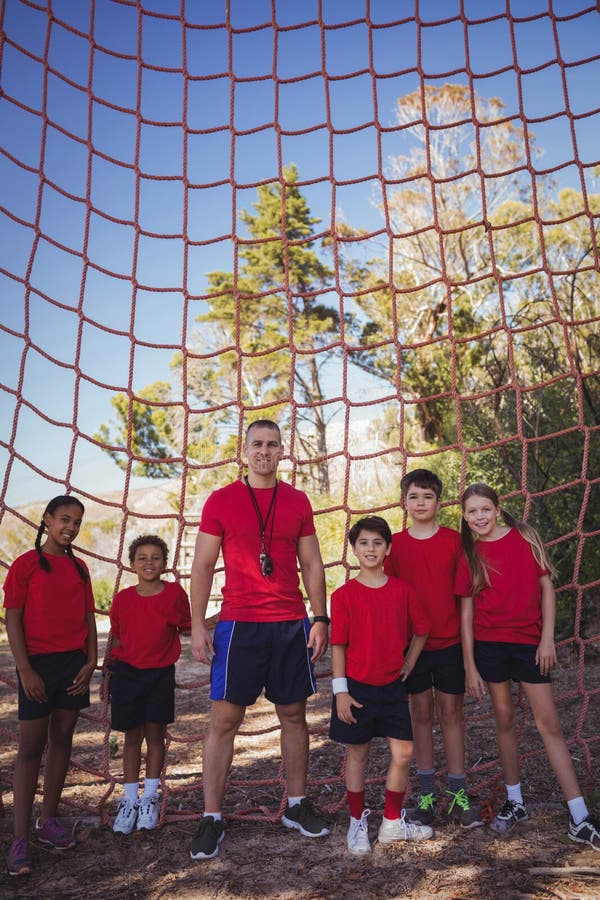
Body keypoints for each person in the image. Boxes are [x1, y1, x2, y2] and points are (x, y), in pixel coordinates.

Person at [189, 419, 330, 860]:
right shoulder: (222, 500)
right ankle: (212, 817)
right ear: (243, 450)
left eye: (272, 444)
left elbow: (312, 565)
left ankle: (296, 804)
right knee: (224, 722)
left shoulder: (297, 500)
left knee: (293, 716)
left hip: (290, 623)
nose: (264, 451)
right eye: (257, 444)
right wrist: (197, 623)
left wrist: (319, 617)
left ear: (281, 450)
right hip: (239, 625)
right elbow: (202, 567)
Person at [455, 482, 599, 850]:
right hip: (490, 646)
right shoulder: (469, 554)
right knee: (503, 719)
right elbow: (467, 615)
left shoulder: (524, 536)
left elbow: (546, 587)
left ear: (498, 508)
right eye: (472, 512)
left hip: (529, 644)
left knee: (548, 722)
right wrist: (470, 665)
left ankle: (579, 815)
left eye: (485, 509)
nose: (479, 517)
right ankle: (515, 802)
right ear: (465, 516)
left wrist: (547, 638)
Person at [3, 495, 98, 877]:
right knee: (29, 750)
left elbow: (90, 619)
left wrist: (91, 662)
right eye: (64, 520)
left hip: (73, 666)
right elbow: (12, 619)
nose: (70, 528)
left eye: (76, 522)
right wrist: (25, 669)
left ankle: (48, 822)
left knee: (62, 740)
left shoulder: (80, 568)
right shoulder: (25, 565)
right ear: (46, 520)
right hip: (37, 666)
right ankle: (20, 839)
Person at [384, 469, 481, 828]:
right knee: (420, 716)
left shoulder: (456, 542)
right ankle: (426, 796)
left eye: (427, 496)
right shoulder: (394, 546)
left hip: (450, 644)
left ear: (439, 502)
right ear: (404, 502)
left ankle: (458, 795)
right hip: (413, 651)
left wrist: (470, 663)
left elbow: (464, 601)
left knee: (452, 716)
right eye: (414, 496)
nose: (420, 503)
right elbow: (389, 601)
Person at [330, 515, 433, 854]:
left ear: (388, 548)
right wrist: (340, 692)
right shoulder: (344, 595)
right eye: (364, 543)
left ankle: (391, 823)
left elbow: (422, 629)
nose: (371, 549)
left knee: (404, 752)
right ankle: (357, 822)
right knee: (358, 753)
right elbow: (339, 646)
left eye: (377, 543)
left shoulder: (403, 590)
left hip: (392, 687)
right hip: (356, 687)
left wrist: (409, 662)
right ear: (354, 550)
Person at [106, 535, 191, 835]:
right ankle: (129, 800)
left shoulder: (175, 594)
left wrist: (220, 619)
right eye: (142, 557)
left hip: (159, 675)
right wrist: (107, 673)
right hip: (127, 674)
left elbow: (188, 627)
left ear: (165, 563)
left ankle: (150, 798)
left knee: (155, 737)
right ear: (132, 564)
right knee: (132, 738)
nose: (149, 563)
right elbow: (116, 637)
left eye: (155, 557)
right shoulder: (123, 599)